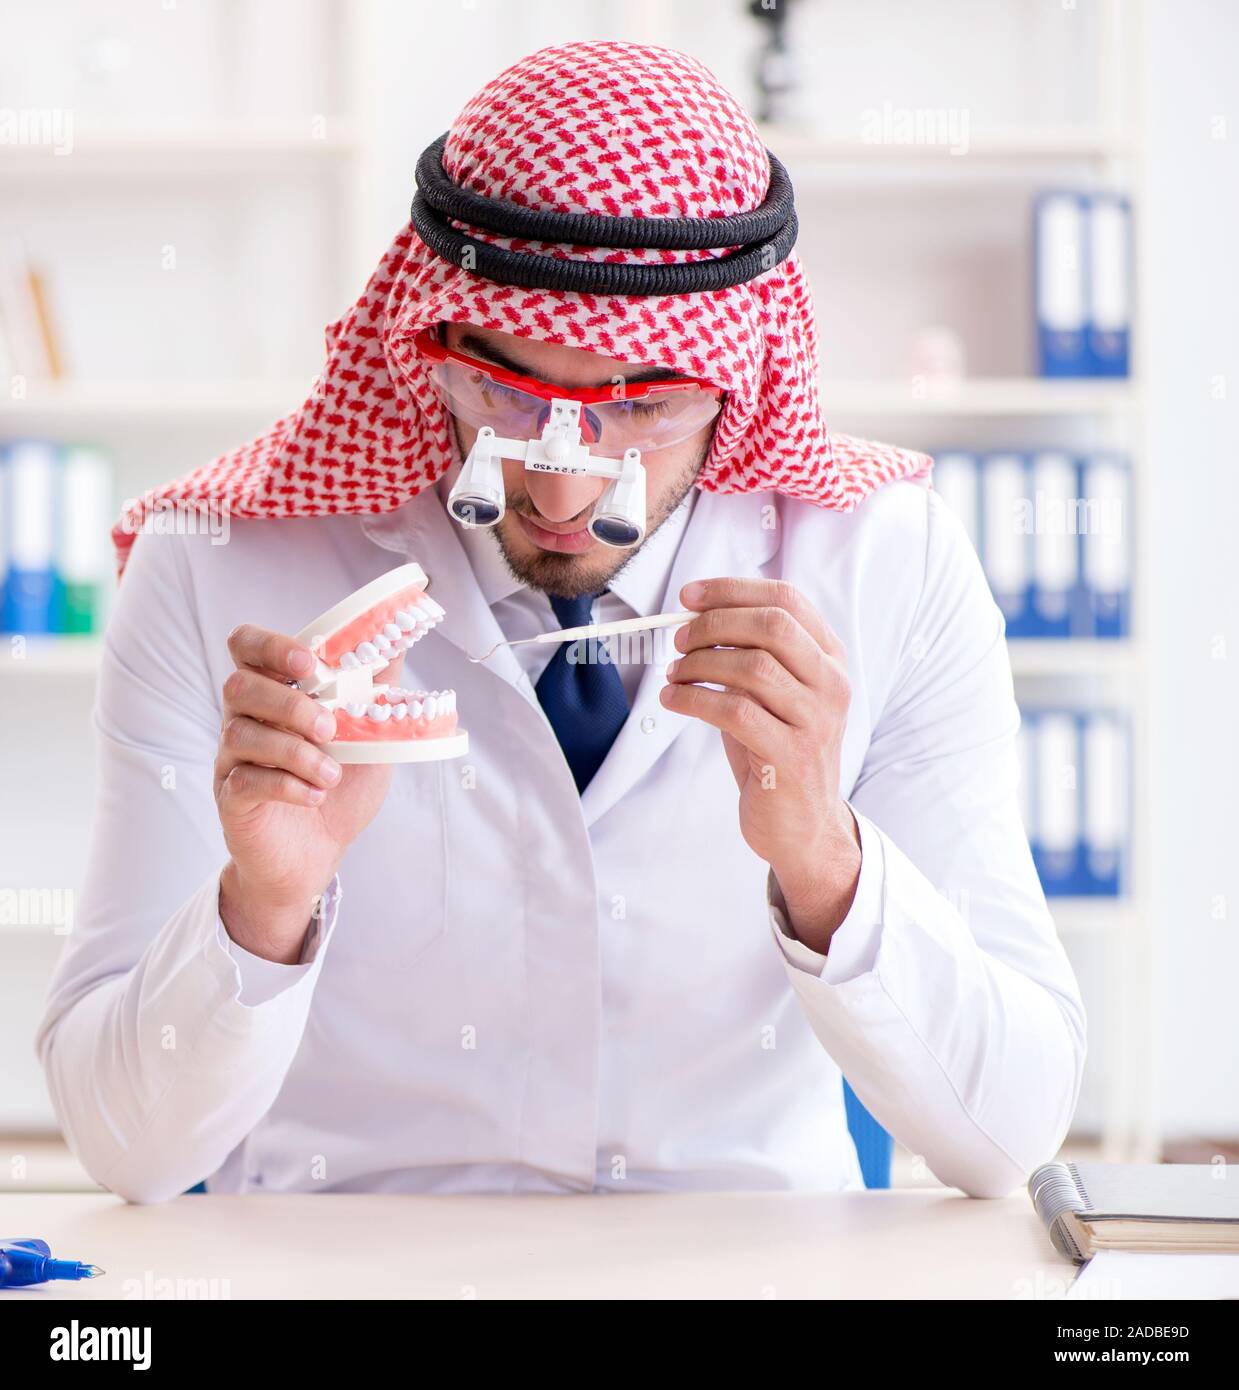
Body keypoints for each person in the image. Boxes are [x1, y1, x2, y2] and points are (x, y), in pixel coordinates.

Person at [38, 41, 1084, 1202]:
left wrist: (827, 864)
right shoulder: (218, 571)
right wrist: (262, 910)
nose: (563, 493)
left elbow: (1012, 1134)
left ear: (737, 377)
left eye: (643, 407)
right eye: (502, 391)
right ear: (429, 341)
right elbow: (123, 1149)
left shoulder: (890, 563)